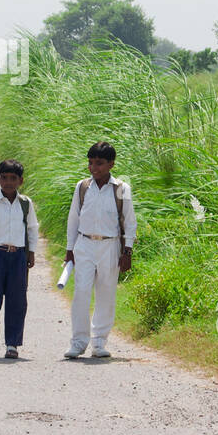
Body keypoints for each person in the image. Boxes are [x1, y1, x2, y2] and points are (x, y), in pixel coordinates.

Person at [63, 141, 136, 359]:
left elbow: (129, 221)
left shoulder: (121, 189)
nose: (94, 168)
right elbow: (73, 218)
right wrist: (70, 249)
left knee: (106, 294)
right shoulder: (82, 187)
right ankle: (78, 342)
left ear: (111, 164)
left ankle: (99, 342)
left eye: (100, 163)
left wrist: (127, 252)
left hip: (110, 245)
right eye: (91, 163)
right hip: (84, 244)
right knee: (81, 293)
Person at [0, 159, 38, 358]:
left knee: (17, 301)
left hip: (18, 256)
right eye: (4, 178)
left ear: (21, 181)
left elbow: (32, 229)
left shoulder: (26, 204)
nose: (9, 182)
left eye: (13, 178)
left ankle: (12, 344)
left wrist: (31, 252)